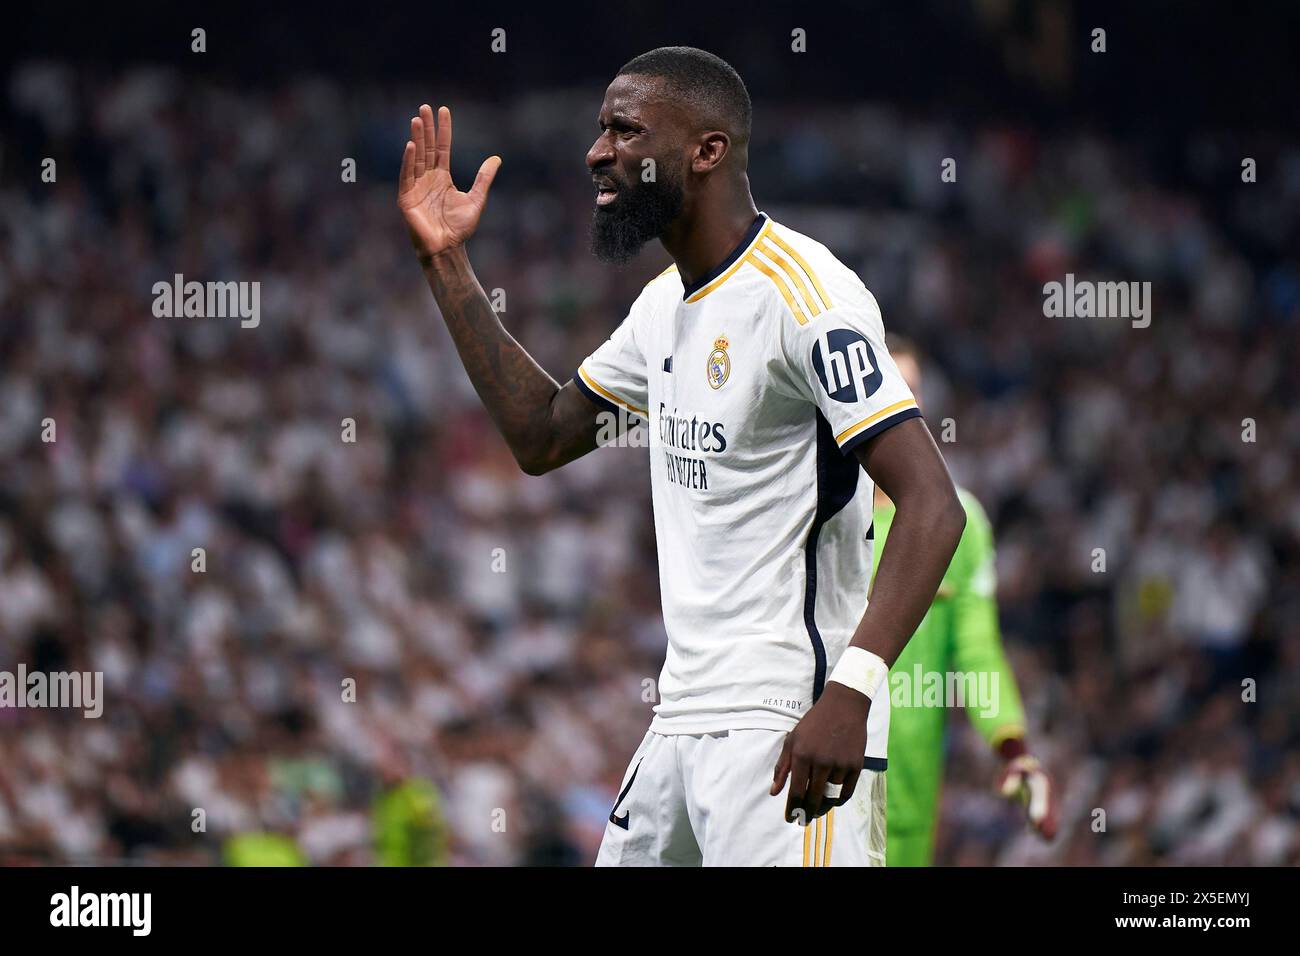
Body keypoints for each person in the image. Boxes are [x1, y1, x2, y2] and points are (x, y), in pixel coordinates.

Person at [397, 46, 965, 866]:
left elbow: (931, 504)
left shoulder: (807, 295)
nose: (598, 152)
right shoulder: (664, 305)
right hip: (681, 717)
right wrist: (443, 260)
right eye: (600, 130)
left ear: (706, 151)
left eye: (625, 130)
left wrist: (851, 691)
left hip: (790, 718)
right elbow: (544, 435)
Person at [873, 335, 1058, 865]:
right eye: (887, 385)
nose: (903, 402)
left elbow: (978, 654)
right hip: (810, 779)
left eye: (914, 390)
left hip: (907, 795)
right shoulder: (820, 513)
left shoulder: (961, 522)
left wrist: (1014, 750)